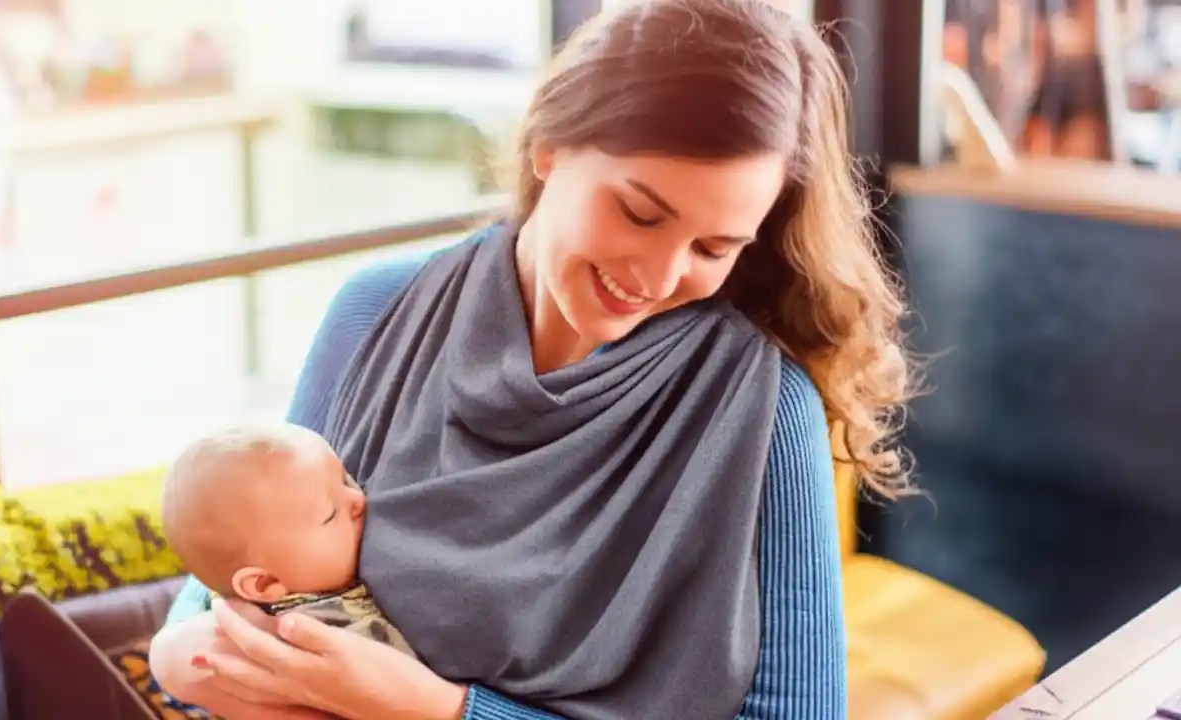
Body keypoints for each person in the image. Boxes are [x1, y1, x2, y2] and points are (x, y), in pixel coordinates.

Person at [149, 0, 915, 718]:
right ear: (550, 144)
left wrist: (440, 709)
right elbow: (230, 574)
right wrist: (176, 656)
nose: (656, 276)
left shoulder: (762, 407)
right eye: (639, 212)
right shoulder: (375, 311)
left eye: (713, 248)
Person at [158, 423, 415, 719]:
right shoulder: (323, 634)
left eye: (346, 480)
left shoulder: (230, 597)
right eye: (330, 513)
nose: (358, 500)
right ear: (266, 583)